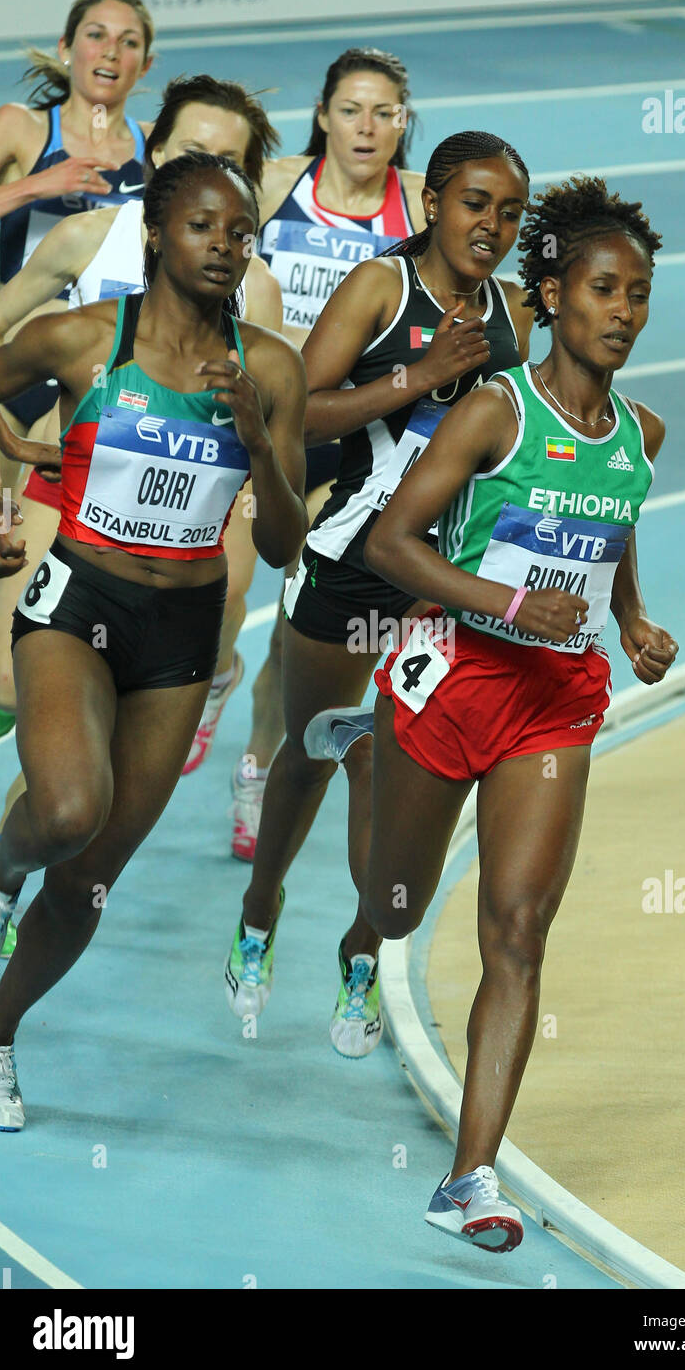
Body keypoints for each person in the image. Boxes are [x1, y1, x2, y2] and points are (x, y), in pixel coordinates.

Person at [350, 176, 678, 1250]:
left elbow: (608, 524)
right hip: (452, 678)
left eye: (636, 292)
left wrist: (627, 619)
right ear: (551, 295)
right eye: (600, 289)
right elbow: (389, 545)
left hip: (553, 699)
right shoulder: (496, 409)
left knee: (517, 931)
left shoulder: (641, 431)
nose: (622, 310)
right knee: (394, 907)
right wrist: (504, 600)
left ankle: (468, 1177)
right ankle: (364, 767)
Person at [0, 151, 307, 1131]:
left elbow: (288, 543)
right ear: (158, 232)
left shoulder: (271, 367)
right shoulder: (81, 340)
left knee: (89, 881)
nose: (222, 246)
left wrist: (256, 439)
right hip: (78, 600)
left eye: (239, 233)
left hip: (182, 629)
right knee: (70, 808)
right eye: (203, 226)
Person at [227, 132, 533, 1061]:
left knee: (405, 777)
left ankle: (362, 948)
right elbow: (297, 409)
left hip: (441, 585)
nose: (493, 225)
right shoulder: (380, 288)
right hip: (354, 561)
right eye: (476, 203)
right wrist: (418, 378)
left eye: (511, 212)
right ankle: (260, 904)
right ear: (433, 201)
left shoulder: (512, 312)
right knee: (308, 750)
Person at [185, 48, 425, 869]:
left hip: (355, 443)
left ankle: (255, 766)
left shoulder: (420, 209)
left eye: (384, 112)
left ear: (403, 123)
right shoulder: (276, 185)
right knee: (226, 585)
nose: (366, 127)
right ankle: (215, 669)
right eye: (350, 109)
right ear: (322, 116)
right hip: (260, 427)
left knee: (297, 624)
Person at [0, 0, 154, 734]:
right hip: (14, 363)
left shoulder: (155, 150)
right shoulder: (25, 128)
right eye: (95, 36)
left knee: (25, 552)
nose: (109, 53)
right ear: (66, 47)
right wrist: (37, 184)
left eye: (126, 42)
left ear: (145, 63)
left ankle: (14, 685)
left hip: (93, 387)